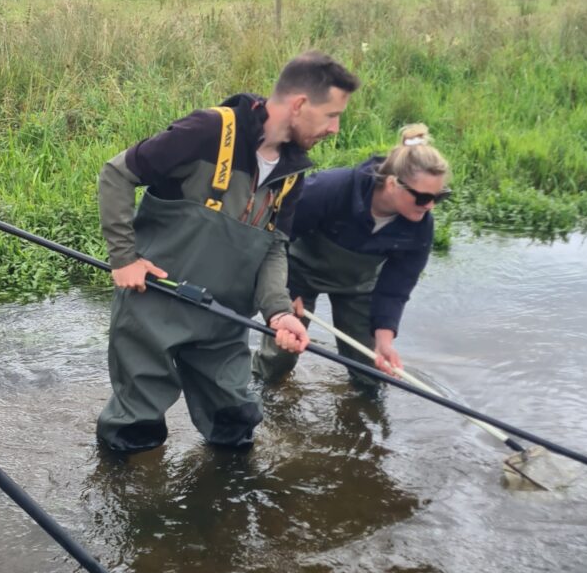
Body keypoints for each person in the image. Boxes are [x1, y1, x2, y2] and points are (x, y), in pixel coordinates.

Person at [96, 51, 360, 453]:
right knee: (136, 432)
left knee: (236, 425)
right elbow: (117, 174)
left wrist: (279, 311)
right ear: (300, 104)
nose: (335, 128)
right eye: (331, 115)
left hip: (223, 321)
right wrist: (124, 258)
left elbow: (274, 248)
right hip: (153, 306)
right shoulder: (208, 129)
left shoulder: (293, 172)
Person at [252, 123, 451, 385]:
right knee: (282, 354)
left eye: (439, 197)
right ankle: (260, 396)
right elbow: (276, 237)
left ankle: (365, 409)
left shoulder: (420, 227)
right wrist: (284, 293)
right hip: (298, 274)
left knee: (369, 370)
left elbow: (395, 287)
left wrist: (384, 340)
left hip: (358, 286)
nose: (430, 206)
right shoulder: (330, 189)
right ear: (393, 183)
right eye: (423, 197)